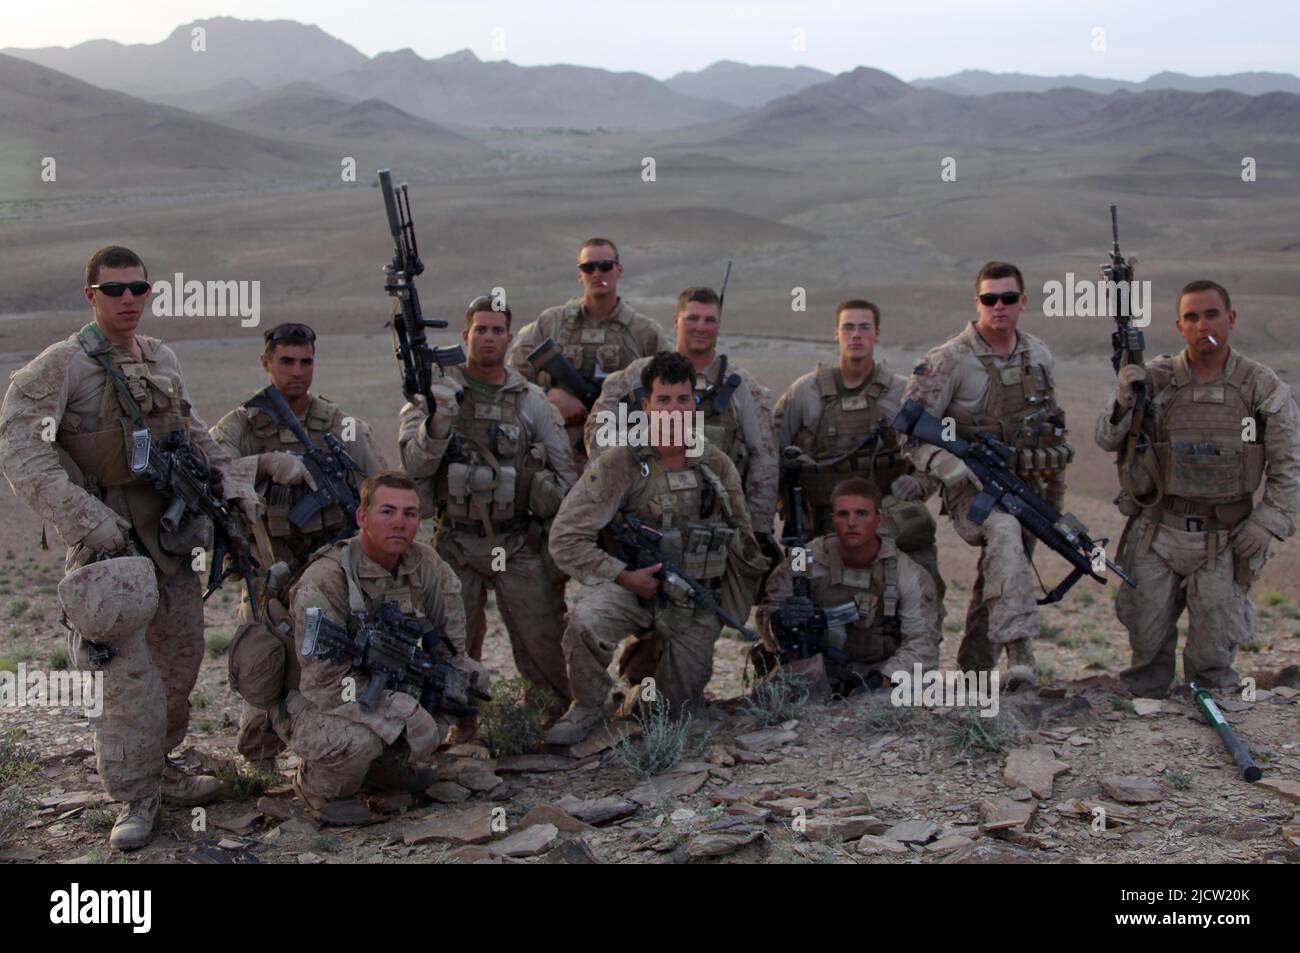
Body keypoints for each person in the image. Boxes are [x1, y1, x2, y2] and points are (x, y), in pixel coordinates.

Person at [0, 245, 260, 850]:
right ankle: (134, 796)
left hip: (170, 539)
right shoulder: (58, 368)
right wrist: (87, 522)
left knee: (182, 659)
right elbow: (21, 451)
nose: (127, 300)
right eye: (114, 290)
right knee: (124, 678)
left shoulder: (160, 358)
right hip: (110, 552)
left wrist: (231, 485)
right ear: (90, 295)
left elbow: (193, 435)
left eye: (138, 289)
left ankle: (162, 764)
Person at [544, 352, 767, 745]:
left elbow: (742, 543)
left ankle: (642, 697)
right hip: (631, 588)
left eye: (683, 400)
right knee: (585, 622)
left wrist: (724, 611)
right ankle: (589, 706)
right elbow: (565, 537)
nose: (674, 410)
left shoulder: (717, 465)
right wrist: (623, 575)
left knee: (679, 719)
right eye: (663, 400)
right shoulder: (619, 463)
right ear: (645, 406)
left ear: (695, 405)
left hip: (692, 600)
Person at [1096, 280, 1300, 697]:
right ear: (1179, 326)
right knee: (1146, 647)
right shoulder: (1155, 380)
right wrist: (1123, 398)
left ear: (1231, 318)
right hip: (1157, 532)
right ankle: (1143, 722)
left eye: (1211, 314)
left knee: (1213, 658)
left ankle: (1209, 701)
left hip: (1225, 538)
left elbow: (1288, 467)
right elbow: (1105, 438)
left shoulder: (1260, 386)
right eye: (1191, 317)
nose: (1202, 323)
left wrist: (1268, 521)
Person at [210, 322, 389, 771]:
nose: (297, 371)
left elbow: (380, 484)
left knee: (337, 655)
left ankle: (339, 749)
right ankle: (259, 756)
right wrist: (265, 464)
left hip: (331, 563)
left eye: (306, 361)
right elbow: (211, 474)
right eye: (286, 361)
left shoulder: (338, 423)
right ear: (266, 362)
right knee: (271, 657)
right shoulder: (242, 424)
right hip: (270, 564)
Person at [399, 296, 577, 733]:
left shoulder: (530, 399)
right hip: (456, 540)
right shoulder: (437, 392)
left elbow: (565, 470)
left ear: (509, 338)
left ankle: (548, 719)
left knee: (540, 634)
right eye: (481, 329)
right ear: (465, 337)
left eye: (498, 330)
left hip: (516, 541)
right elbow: (413, 467)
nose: (489, 337)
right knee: (452, 638)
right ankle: (460, 725)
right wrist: (438, 422)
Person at [903, 262, 1073, 687]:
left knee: (1003, 569)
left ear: (1023, 302)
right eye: (989, 299)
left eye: (1008, 298)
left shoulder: (1040, 355)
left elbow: (1052, 427)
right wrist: (952, 469)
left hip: (1026, 488)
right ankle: (1021, 655)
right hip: (971, 490)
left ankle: (974, 672)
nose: (999, 307)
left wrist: (1055, 503)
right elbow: (908, 433)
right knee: (1003, 536)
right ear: (977, 303)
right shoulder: (949, 361)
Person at [277, 471, 481, 824]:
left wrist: (441, 687)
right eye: (387, 511)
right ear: (362, 517)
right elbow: (322, 684)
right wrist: (400, 708)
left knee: (466, 682)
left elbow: (453, 651)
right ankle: (318, 787)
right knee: (360, 740)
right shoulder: (325, 579)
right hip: (307, 697)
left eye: (409, 514)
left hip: (382, 681)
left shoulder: (426, 564)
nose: (399, 523)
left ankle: (384, 770)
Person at [775, 299, 944, 610]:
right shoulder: (805, 393)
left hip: (888, 526)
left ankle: (913, 656)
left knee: (921, 598)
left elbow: (934, 454)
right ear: (836, 334)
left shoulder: (901, 393)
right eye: (848, 327)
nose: (856, 335)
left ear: (877, 334)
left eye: (864, 327)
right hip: (817, 527)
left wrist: (919, 483)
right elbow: (772, 457)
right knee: (791, 599)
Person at [584, 285, 779, 548]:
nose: (701, 327)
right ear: (676, 321)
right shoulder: (635, 376)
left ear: (719, 325)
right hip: (641, 524)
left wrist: (757, 530)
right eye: (692, 318)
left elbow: (764, 458)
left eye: (709, 320)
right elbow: (598, 434)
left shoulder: (743, 388)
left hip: (714, 531)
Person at [758, 478, 939, 695]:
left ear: (879, 519)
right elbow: (768, 611)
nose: (852, 523)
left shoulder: (906, 572)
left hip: (880, 673)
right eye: (843, 514)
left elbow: (922, 645)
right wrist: (778, 622)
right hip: (813, 667)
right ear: (833, 519)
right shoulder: (803, 557)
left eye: (862, 514)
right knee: (771, 703)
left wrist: (881, 681)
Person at [507, 238, 669, 468]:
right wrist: (547, 397)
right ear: (579, 274)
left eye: (605, 266)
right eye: (588, 267)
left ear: (619, 270)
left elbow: (673, 387)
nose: (596, 273)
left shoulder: (644, 332)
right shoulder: (551, 323)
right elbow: (511, 378)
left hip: (625, 456)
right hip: (556, 455)